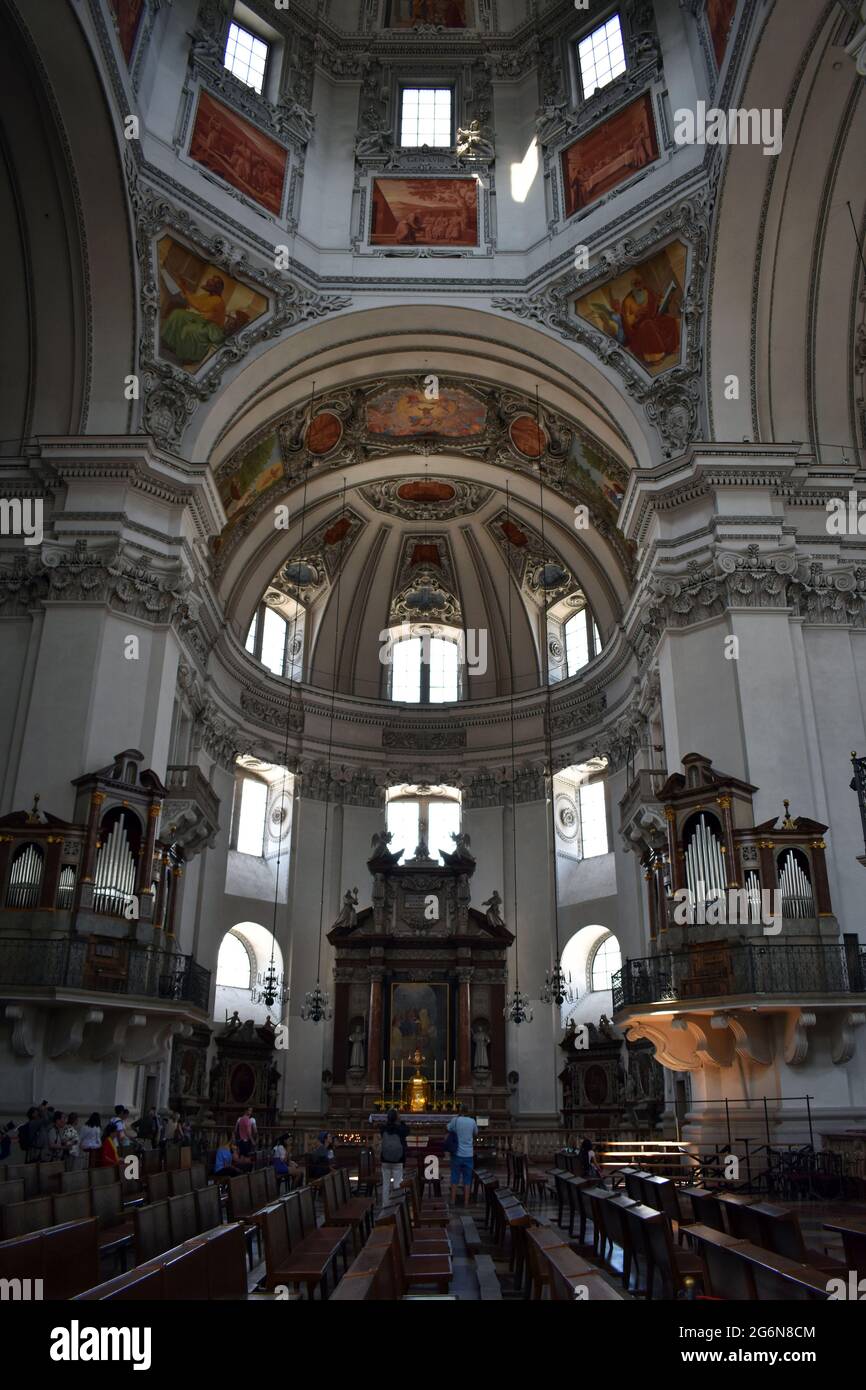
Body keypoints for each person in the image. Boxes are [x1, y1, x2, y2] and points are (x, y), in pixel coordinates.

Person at [446, 1102, 478, 1206]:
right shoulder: (472, 1121)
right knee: (467, 1179)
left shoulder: (456, 1120)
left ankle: (453, 1200)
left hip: (457, 1154)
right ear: (468, 1111)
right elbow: (476, 1132)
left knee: (455, 1177)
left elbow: (448, 1128)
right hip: (468, 1154)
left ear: (460, 1110)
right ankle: (466, 1202)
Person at [379, 1109, 409, 1206]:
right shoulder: (401, 1128)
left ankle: (385, 1205)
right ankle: (397, 1206)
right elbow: (408, 1130)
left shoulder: (383, 1128)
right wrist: (401, 1122)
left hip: (385, 1159)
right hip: (398, 1159)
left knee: (386, 1184)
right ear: (397, 1117)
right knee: (398, 1183)